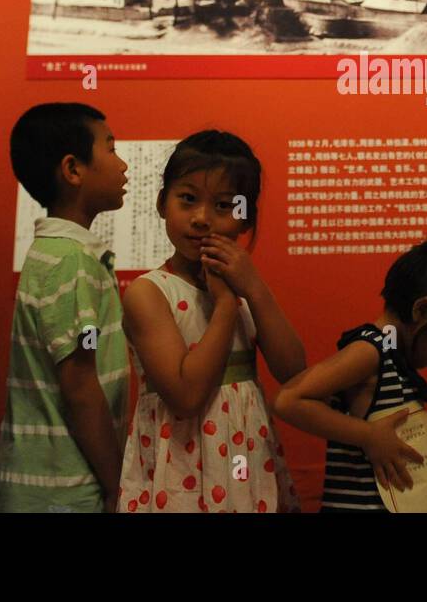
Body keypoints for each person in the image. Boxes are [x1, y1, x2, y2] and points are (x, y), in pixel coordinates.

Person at [116, 131, 304, 512]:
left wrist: (254, 289)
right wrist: (223, 305)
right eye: (187, 199)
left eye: (223, 205)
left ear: (243, 216)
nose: (202, 219)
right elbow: (185, 397)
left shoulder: (244, 292)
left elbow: (294, 371)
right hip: (180, 468)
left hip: (246, 464)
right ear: (161, 202)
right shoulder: (150, 292)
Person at [273, 231, 427, 512]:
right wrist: (367, 435)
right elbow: (289, 400)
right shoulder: (371, 350)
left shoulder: (393, 359)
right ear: (423, 310)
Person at [0, 103, 130, 512]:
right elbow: (80, 385)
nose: (122, 165)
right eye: (110, 148)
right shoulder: (71, 260)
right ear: (73, 170)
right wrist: (114, 482)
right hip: (64, 487)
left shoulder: (58, 253)